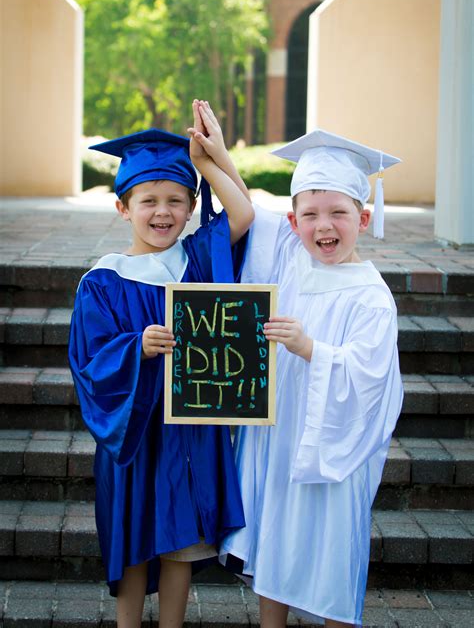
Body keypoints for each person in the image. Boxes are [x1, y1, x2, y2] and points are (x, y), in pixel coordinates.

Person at [68, 104, 254, 628]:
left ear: (193, 207)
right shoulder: (102, 282)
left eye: (176, 199)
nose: (162, 212)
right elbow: (89, 363)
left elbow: (241, 216)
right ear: (123, 208)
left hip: (188, 429)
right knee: (133, 539)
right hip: (134, 432)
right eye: (148, 201)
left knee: (182, 543)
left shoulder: (195, 260)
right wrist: (137, 347)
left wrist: (209, 157)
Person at [217, 126, 405, 628]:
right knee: (274, 546)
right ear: (294, 221)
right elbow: (250, 213)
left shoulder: (370, 296)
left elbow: (371, 380)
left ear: (363, 218)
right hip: (281, 438)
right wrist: (215, 155)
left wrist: (312, 350)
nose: (324, 226)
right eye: (310, 215)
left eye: (339, 213)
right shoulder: (291, 257)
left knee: (330, 561)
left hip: (335, 453)